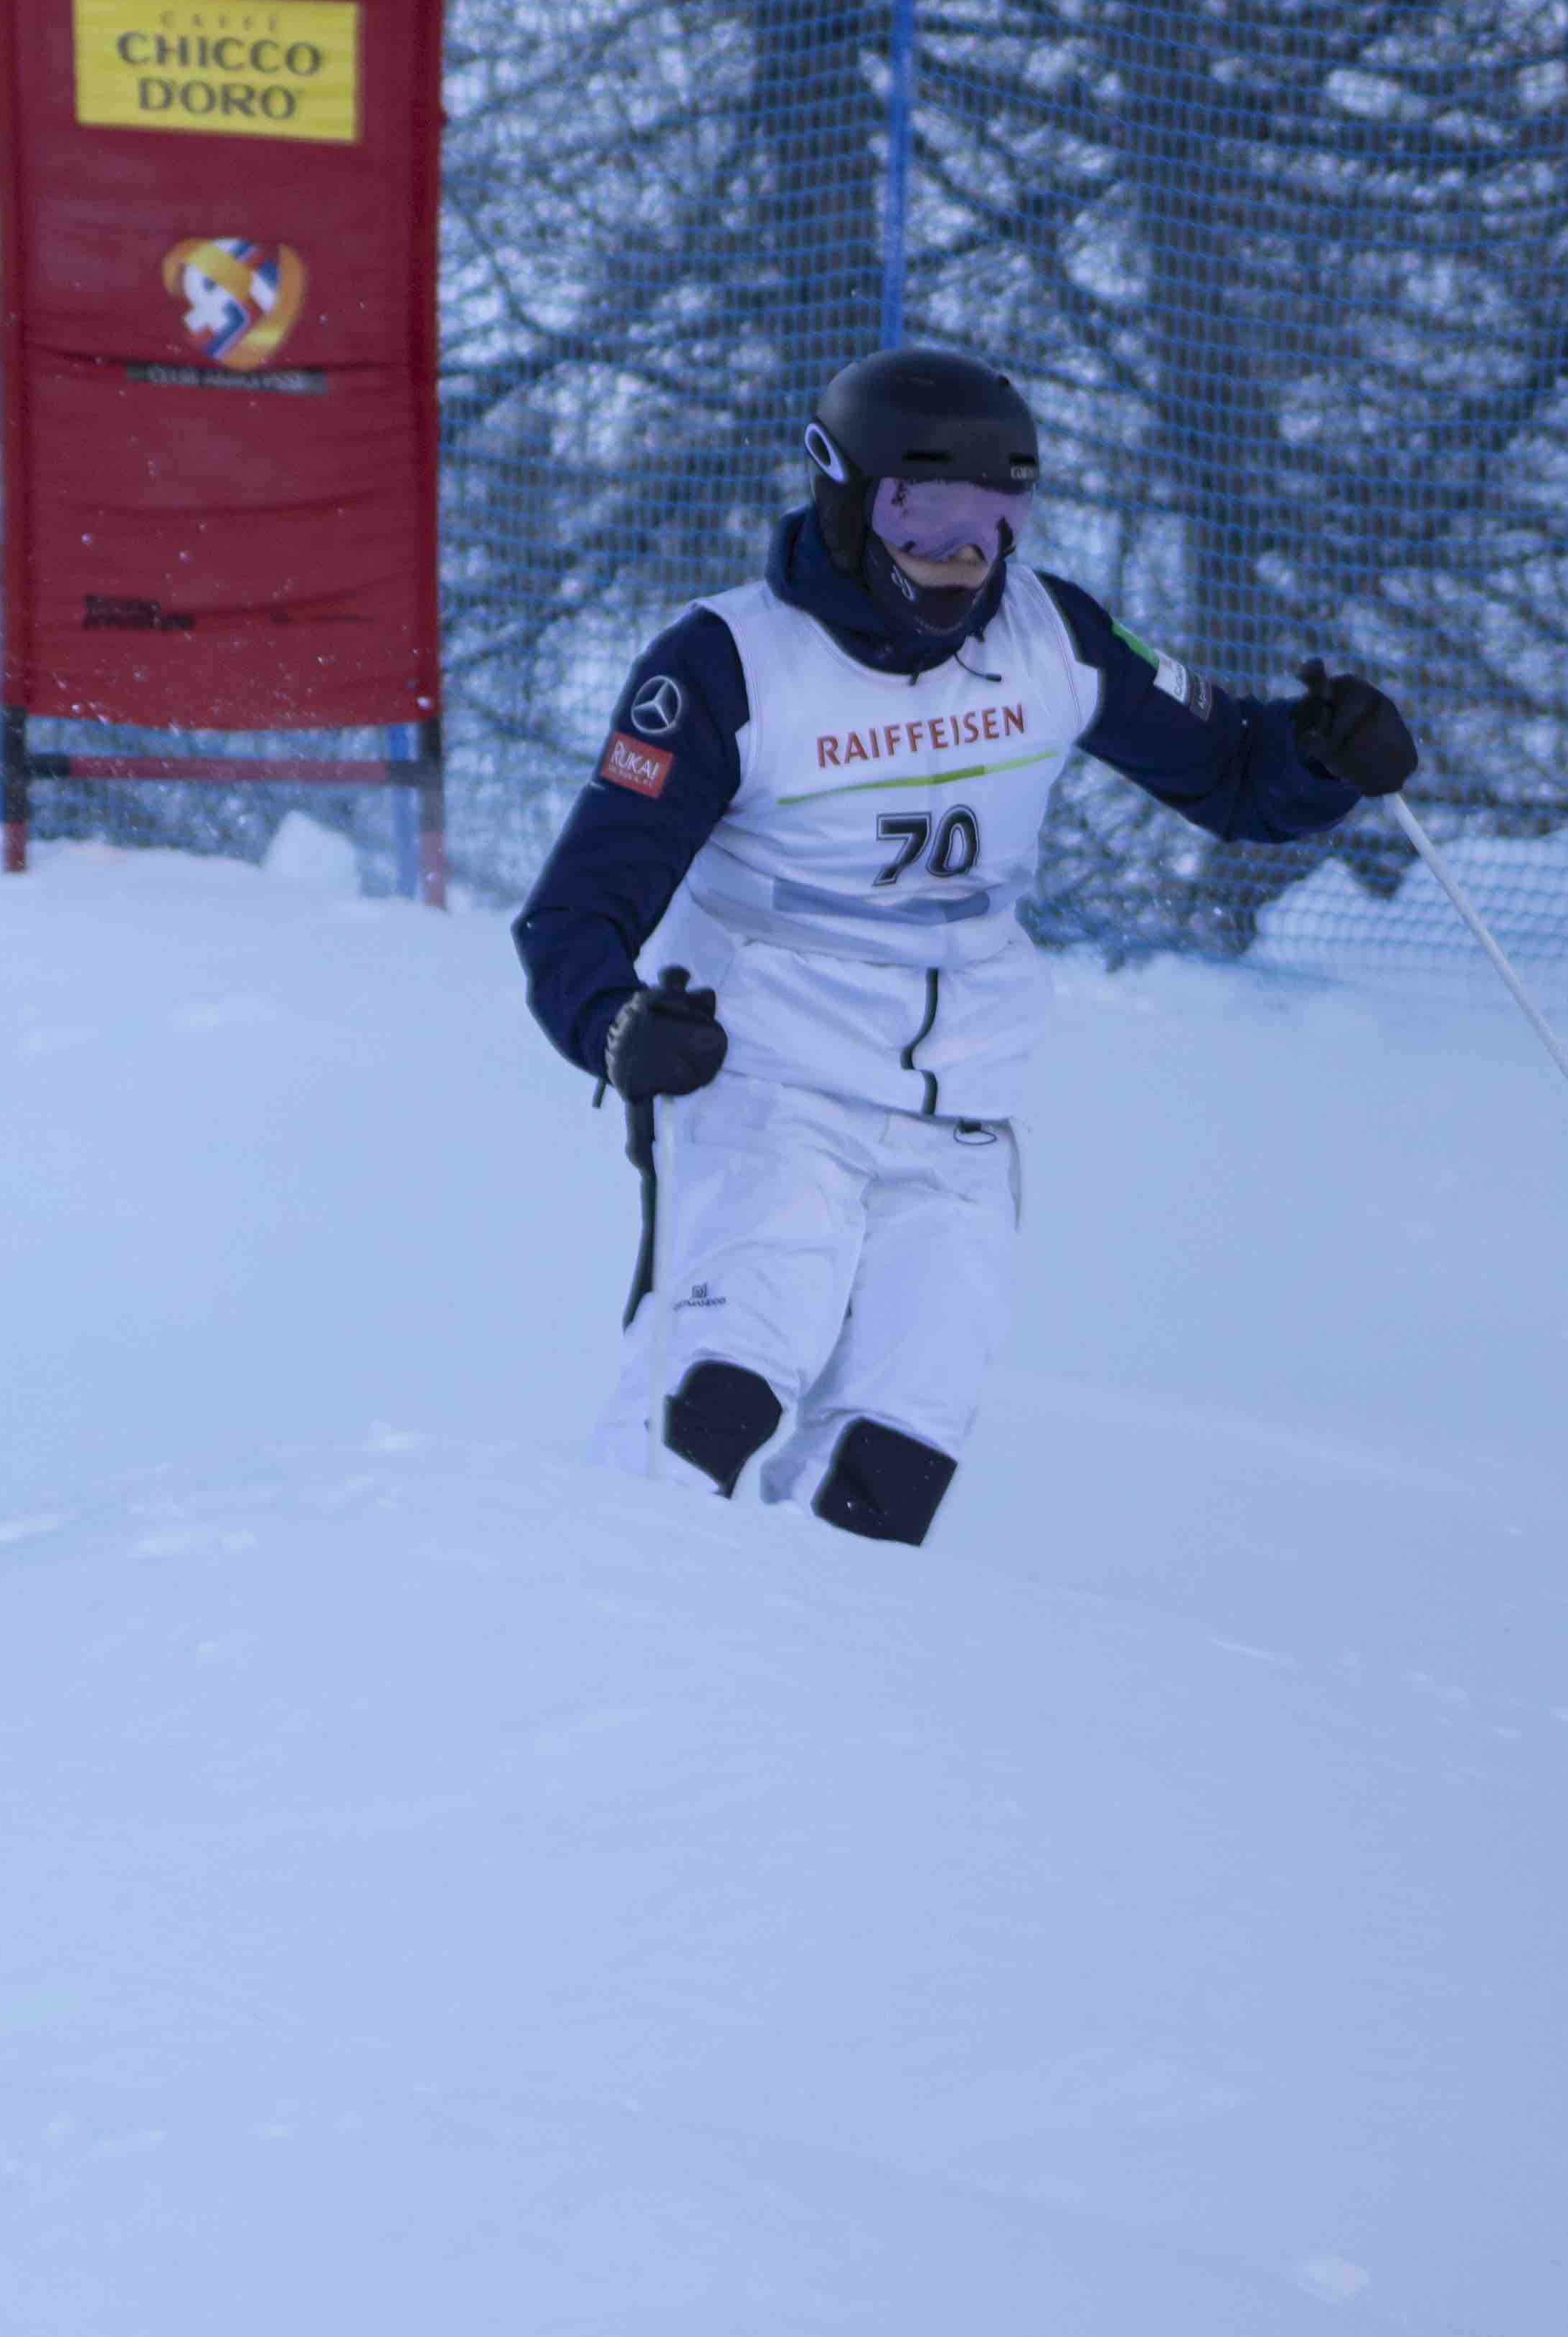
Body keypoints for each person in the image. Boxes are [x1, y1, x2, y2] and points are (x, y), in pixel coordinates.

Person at [511, 348, 1417, 1544]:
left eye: (998, 516)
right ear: (846, 496)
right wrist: (611, 1021)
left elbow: (1238, 779)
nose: (961, 553)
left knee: (896, 1449)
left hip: (961, 1108)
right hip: (768, 1079)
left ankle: (819, 1693)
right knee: (717, 1389)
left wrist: (1320, 751)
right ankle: (606, 1621)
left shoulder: (1054, 634)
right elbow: (577, 909)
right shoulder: (726, 662)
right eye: (923, 510)